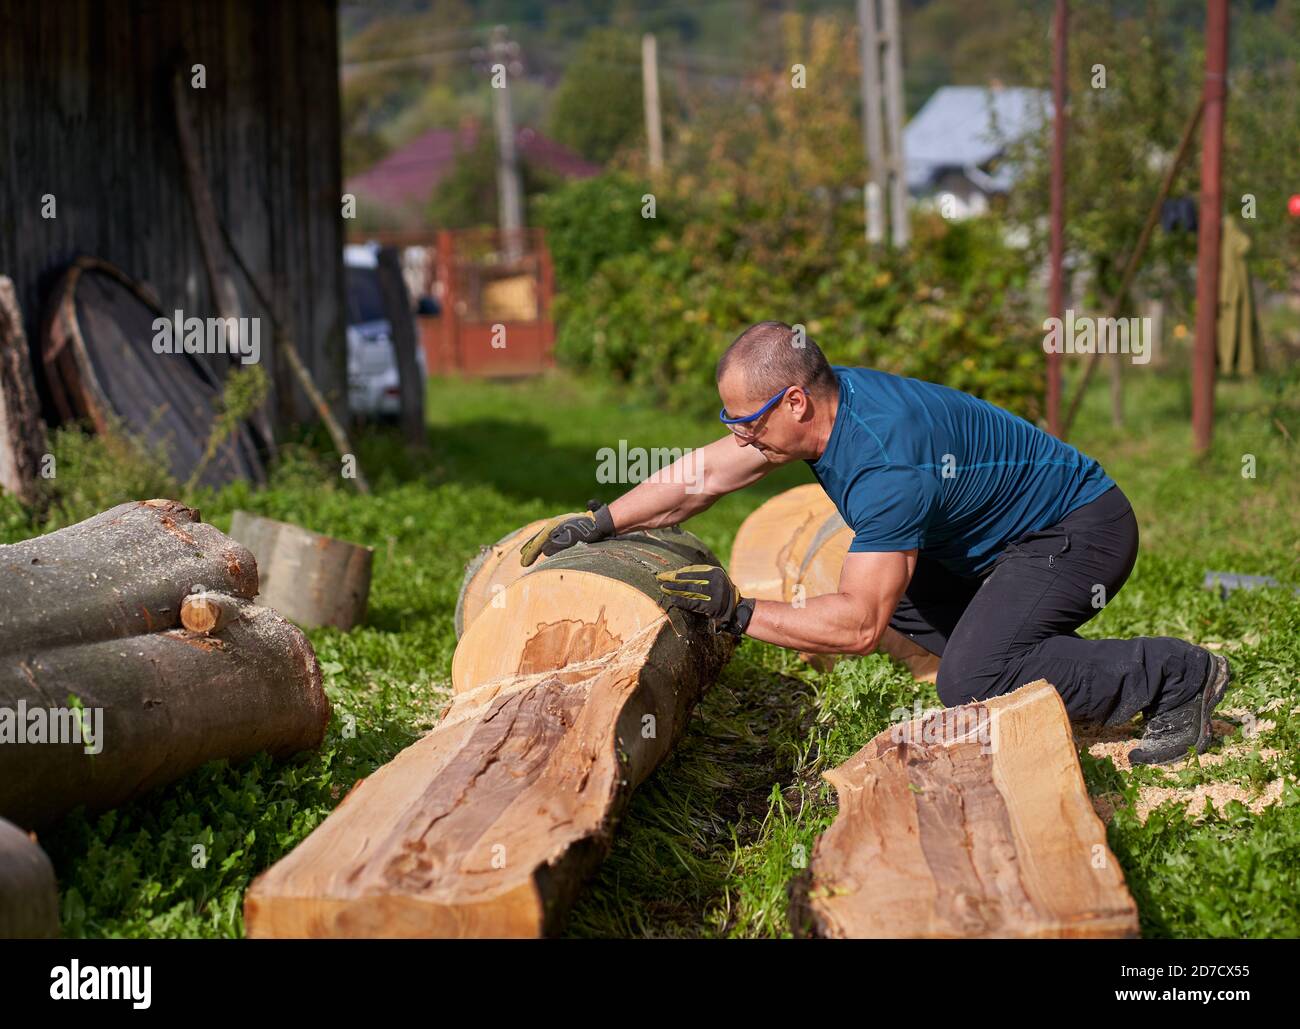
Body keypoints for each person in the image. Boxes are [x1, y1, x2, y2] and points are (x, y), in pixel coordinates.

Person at [519, 321, 1230, 766]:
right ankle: (1023, 659)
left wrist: (737, 612)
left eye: (746, 422)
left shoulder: (885, 463)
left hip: (1078, 533)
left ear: (794, 402)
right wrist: (604, 522)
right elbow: (705, 476)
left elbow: (857, 627)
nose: (739, 436)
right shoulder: (824, 406)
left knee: (969, 680)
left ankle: (1178, 676)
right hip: (1010, 543)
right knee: (919, 609)